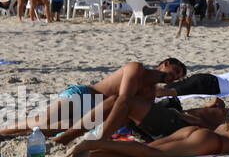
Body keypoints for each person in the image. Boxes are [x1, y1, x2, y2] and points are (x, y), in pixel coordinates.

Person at [70, 80, 229, 157]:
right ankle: (90, 144)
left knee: (143, 150)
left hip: (197, 131)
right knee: (148, 153)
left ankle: (91, 154)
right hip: (211, 142)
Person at [1, 58, 189, 144]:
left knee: (51, 128)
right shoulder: (136, 68)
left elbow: (130, 116)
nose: (174, 76)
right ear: (165, 63)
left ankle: (7, 134)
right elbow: (123, 100)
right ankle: (2, 130)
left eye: (178, 77)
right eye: (175, 71)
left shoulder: (150, 94)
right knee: (41, 120)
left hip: (97, 114)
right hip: (85, 96)